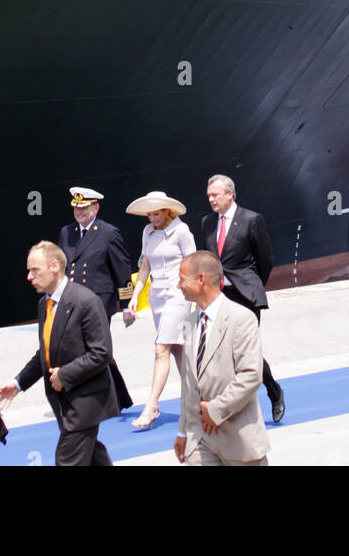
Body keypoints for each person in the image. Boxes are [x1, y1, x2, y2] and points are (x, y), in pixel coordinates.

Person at [0, 241, 117, 466]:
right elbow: (44, 352)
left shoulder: (86, 301)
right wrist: (18, 384)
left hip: (85, 401)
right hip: (65, 402)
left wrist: (65, 374)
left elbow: (102, 353)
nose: (29, 277)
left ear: (54, 266)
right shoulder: (45, 304)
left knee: (67, 461)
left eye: (35, 270)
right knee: (94, 459)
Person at [174, 251, 270, 466]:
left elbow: (251, 376)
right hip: (199, 440)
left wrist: (216, 410)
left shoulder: (241, 319)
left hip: (238, 438)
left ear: (201, 279)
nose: (178, 286)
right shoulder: (189, 322)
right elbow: (188, 382)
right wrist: (183, 431)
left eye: (182, 279)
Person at [202, 175, 285, 422]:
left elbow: (265, 260)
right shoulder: (207, 222)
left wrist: (252, 285)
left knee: (244, 351)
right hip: (219, 297)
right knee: (220, 352)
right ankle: (232, 404)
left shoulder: (251, 220)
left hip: (244, 296)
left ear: (230, 194)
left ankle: (272, 390)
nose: (211, 199)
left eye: (215, 195)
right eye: (208, 196)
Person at [123, 190, 196, 430]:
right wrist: (135, 296)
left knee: (160, 348)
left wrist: (197, 297)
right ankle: (196, 400)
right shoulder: (148, 232)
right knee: (178, 350)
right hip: (158, 297)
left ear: (167, 211)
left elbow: (194, 264)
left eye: (156, 214)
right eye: (149, 215)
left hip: (179, 295)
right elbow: (145, 265)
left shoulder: (182, 231)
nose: (152, 219)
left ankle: (151, 406)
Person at [58, 186, 134, 410]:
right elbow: (62, 268)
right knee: (76, 349)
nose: (79, 213)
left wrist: (127, 304)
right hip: (72, 300)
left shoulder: (108, 233)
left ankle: (118, 398)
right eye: (76, 209)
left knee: (98, 349)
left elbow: (122, 269)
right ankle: (97, 397)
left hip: (98, 300)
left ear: (96, 208)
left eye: (84, 209)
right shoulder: (67, 232)